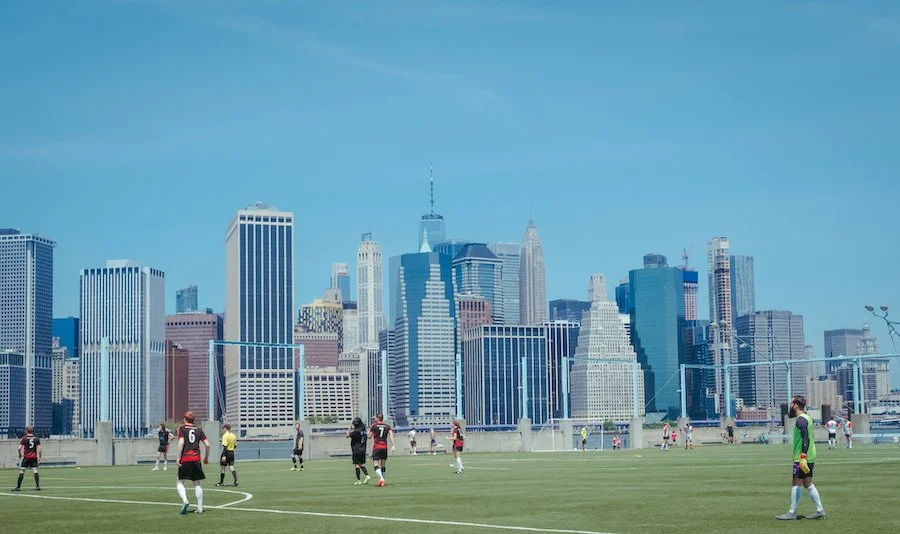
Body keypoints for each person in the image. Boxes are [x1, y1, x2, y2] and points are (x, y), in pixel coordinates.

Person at [776, 396, 827, 520]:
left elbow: (805, 438)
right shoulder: (807, 418)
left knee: (796, 483)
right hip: (810, 456)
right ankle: (820, 510)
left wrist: (802, 456)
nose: (790, 407)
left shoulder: (801, 420)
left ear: (796, 405)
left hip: (803, 457)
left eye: (791, 404)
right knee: (807, 483)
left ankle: (792, 512)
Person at [175, 411, 211, 515]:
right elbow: (207, 444)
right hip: (196, 459)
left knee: (180, 481)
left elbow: (181, 442)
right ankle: (199, 507)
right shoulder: (199, 430)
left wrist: (178, 457)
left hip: (185, 458)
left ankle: (185, 500)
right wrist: (206, 458)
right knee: (196, 483)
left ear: (185, 419)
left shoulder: (182, 429)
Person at [368, 413, 395, 487]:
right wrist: (393, 445)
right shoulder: (387, 426)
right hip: (384, 447)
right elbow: (391, 435)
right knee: (383, 465)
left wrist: (369, 432)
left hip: (377, 447)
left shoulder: (373, 426)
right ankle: (383, 480)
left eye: (375, 418)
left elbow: (369, 436)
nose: (374, 419)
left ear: (377, 418)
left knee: (375, 464)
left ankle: (381, 479)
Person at [12, 426, 41, 491]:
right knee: (35, 471)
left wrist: (19, 454)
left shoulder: (24, 438)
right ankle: (37, 486)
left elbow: (19, 448)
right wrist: (39, 457)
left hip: (26, 457)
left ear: (26, 431)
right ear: (32, 431)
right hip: (34, 457)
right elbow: (40, 449)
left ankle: (18, 487)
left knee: (22, 471)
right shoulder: (36, 438)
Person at [346, 417, 370, 485]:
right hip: (363, 449)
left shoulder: (356, 431)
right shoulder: (364, 431)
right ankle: (367, 476)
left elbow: (347, 435)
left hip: (356, 449)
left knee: (357, 465)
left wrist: (349, 428)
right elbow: (368, 436)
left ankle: (359, 480)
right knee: (361, 464)